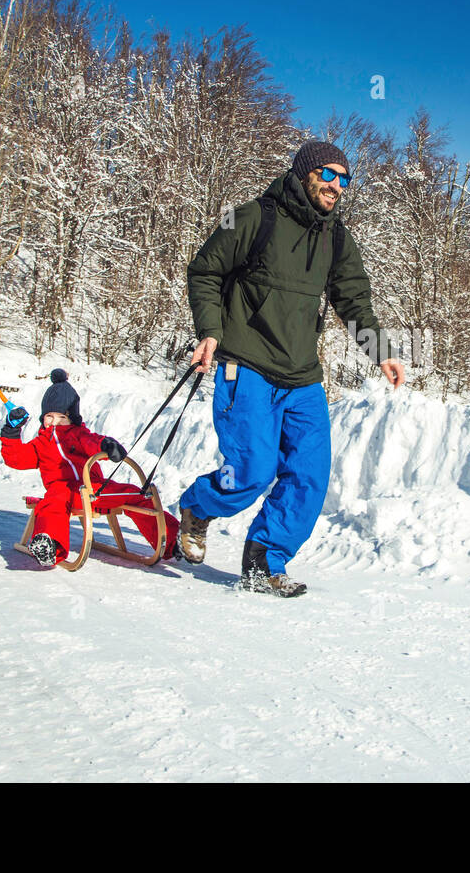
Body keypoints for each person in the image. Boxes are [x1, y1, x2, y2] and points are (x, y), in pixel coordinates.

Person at [177, 140, 405, 597]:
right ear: (304, 173)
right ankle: (197, 506)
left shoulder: (336, 236)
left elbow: (353, 297)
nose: (337, 186)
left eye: (344, 179)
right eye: (329, 174)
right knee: (251, 471)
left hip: (302, 376)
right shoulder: (251, 217)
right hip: (247, 365)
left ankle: (264, 560)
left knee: (310, 475)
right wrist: (210, 330)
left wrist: (380, 349)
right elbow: (205, 270)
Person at [1, 369, 179, 566]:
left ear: (72, 418)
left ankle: (174, 539)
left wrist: (106, 445)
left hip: (94, 489)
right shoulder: (40, 443)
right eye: (49, 417)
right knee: (52, 504)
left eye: (62, 417)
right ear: (43, 417)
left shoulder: (79, 435)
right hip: (64, 492)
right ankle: (50, 545)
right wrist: (11, 432)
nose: (55, 423)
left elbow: (92, 442)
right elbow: (16, 459)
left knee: (136, 493)